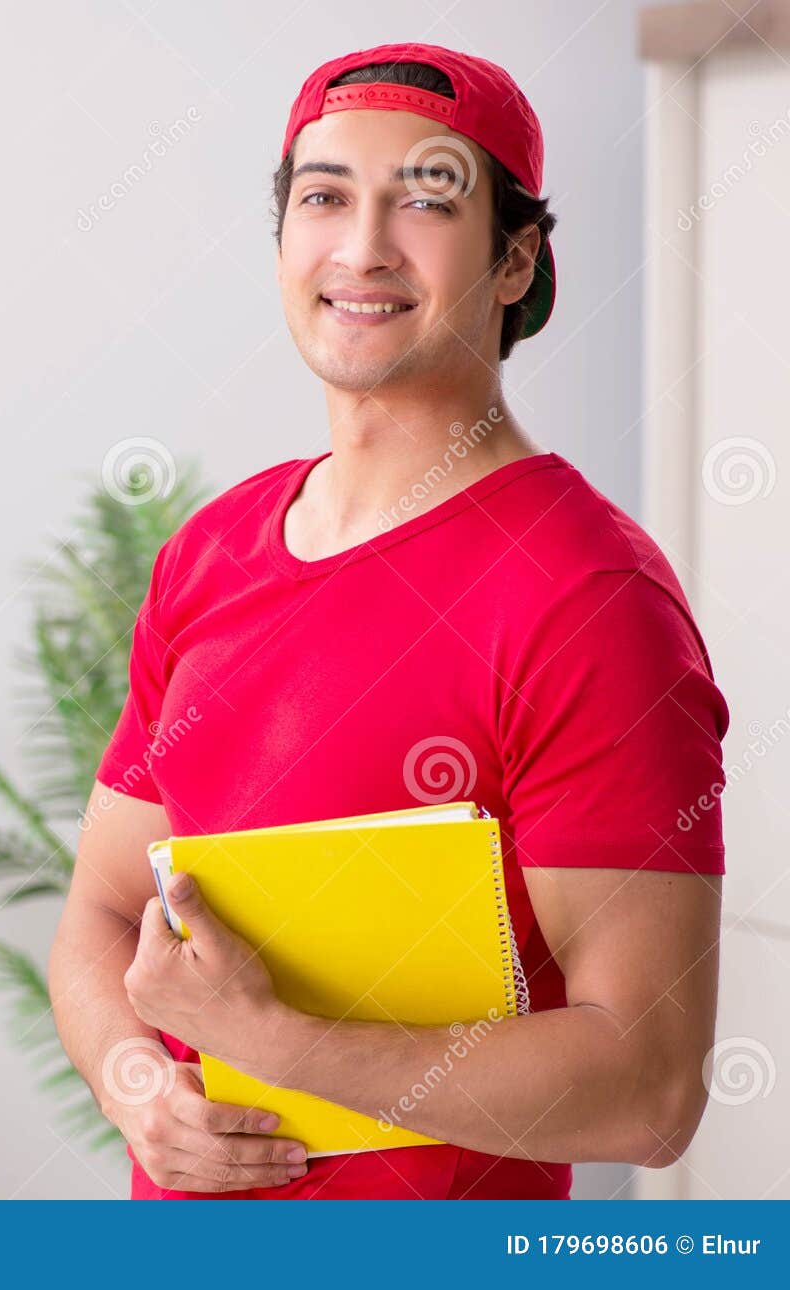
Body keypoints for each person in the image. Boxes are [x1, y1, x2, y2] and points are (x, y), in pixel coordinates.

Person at [49, 43, 727, 1200]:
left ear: (516, 260)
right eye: (323, 197)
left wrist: (278, 1042)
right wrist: (137, 1089)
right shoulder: (208, 558)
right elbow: (100, 922)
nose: (361, 246)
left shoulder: (589, 601)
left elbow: (649, 1088)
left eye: (424, 199)